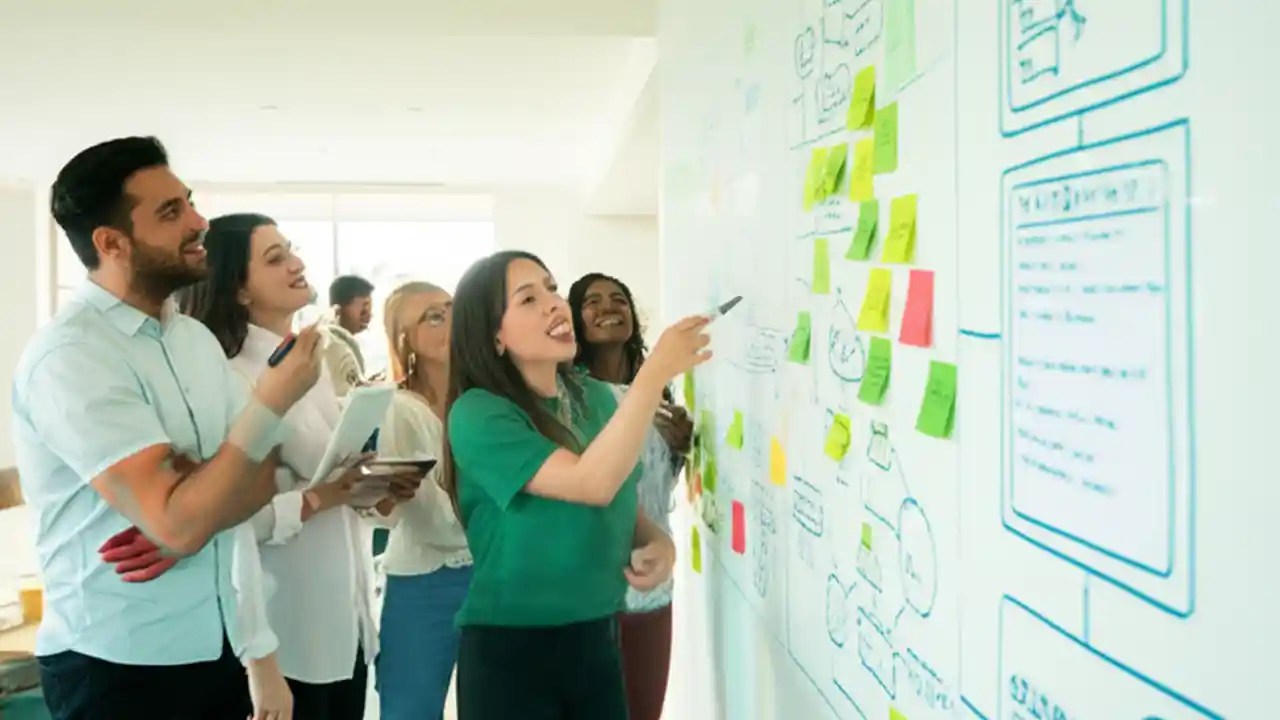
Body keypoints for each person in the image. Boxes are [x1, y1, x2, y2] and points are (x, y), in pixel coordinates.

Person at [10, 136, 321, 719]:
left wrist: (195, 505)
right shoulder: (72, 356)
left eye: (190, 202)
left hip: (216, 645)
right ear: (111, 243)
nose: (199, 223)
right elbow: (186, 515)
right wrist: (268, 406)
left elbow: (267, 474)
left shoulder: (192, 339)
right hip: (116, 661)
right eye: (171, 212)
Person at [165, 213, 421, 720]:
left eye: (291, 250)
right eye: (274, 258)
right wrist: (319, 498)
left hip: (344, 617)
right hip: (285, 630)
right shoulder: (231, 377)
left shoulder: (307, 362)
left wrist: (371, 486)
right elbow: (227, 521)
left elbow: (331, 474)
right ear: (239, 289)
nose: (297, 264)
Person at [442, 250, 710, 719]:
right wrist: (653, 376)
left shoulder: (594, 398)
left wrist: (658, 543)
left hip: (596, 636)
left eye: (551, 288)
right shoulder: (479, 413)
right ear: (494, 336)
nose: (553, 304)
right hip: (512, 652)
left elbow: (621, 496)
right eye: (528, 299)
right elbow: (591, 484)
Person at [568, 272, 694, 720]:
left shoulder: (659, 393)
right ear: (575, 319)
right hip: (593, 590)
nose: (608, 307)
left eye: (618, 299)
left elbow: (656, 486)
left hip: (652, 586)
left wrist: (680, 450)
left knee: (644, 711)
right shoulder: (570, 397)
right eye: (593, 301)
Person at [367, 281, 472, 720]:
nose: (451, 321)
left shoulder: (488, 399)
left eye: (452, 309)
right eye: (433, 316)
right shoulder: (396, 407)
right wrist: (387, 493)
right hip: (425, 580)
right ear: (404, 338)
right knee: (410, 710)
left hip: (495, 572)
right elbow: (382, 512)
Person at [324, 274, 376, 396]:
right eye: (363, 309)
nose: (368, 316)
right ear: (338, 310)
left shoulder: (339, 341)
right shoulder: (333, 346)